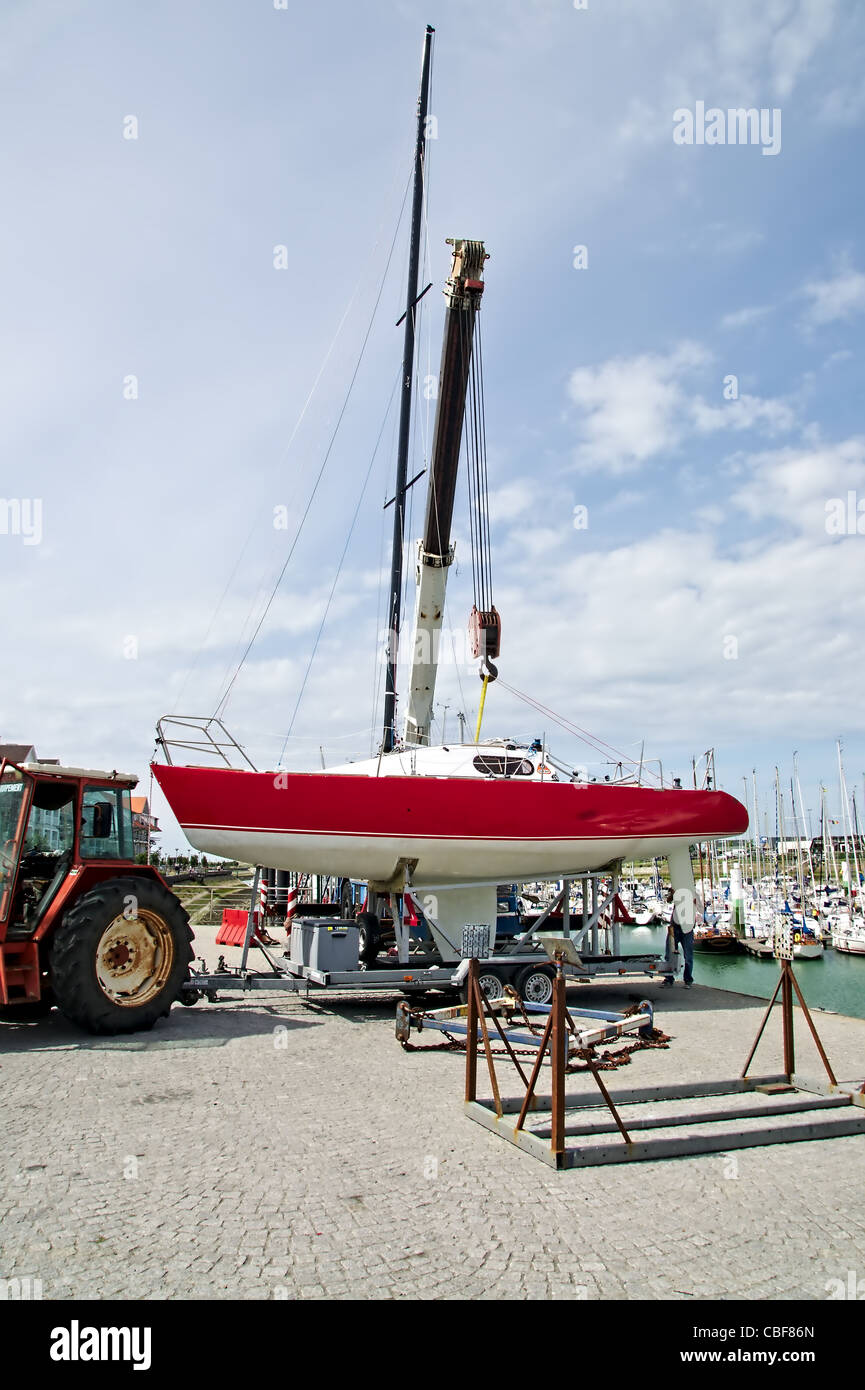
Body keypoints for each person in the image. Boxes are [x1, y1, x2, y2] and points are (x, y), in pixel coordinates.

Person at [663, 886, 694, 988]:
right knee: (669, 954)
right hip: (675, 927)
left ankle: (688, 980)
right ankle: (669, 978)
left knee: (688, 957)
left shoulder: (693, 891)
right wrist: (673, 894)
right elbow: (668, 900)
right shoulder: (675, 889)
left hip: (687, 928)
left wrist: (694, 903)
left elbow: (699, 907)